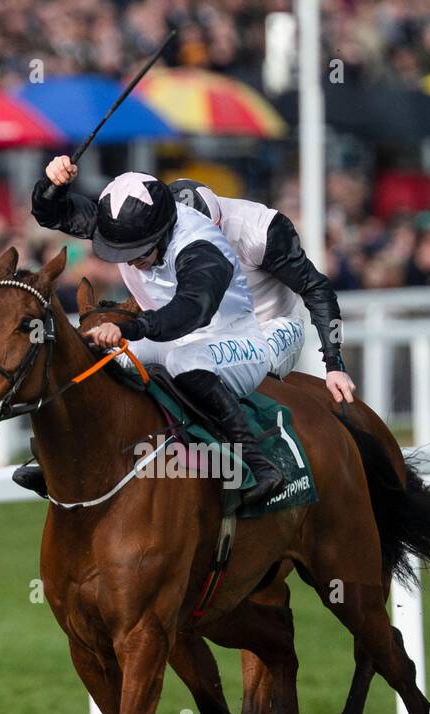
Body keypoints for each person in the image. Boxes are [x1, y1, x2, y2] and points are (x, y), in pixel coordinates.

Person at [19, 155, 283, 506]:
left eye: (137, 252)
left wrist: (129, 326)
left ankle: (259, 463)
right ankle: (65, 458)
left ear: (161, 232)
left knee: (186, 362)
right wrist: (53, 186)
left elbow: (188, 313)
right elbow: (52, 214)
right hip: (168, 335)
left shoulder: (201, 248)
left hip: (234, 338)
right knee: (99, 357)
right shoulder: (127, 224)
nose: (129, 260)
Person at [168, 178, 354, 404]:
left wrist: (334, 364)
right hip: (208, 336)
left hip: (271, 325)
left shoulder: (261, 230)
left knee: (244, 371)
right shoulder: (159, 239)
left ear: (218, 221)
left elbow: (317, 289)